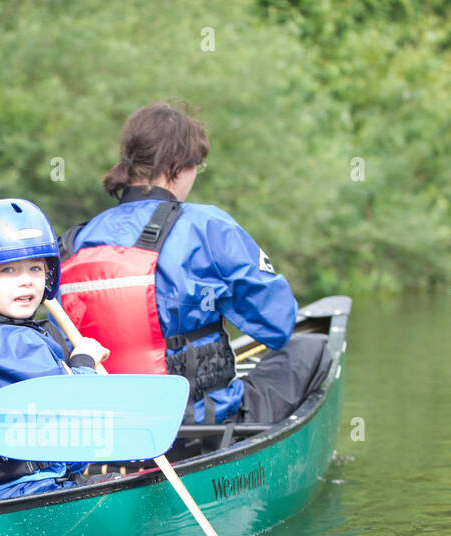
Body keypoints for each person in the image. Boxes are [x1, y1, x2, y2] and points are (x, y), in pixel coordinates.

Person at [58, 101, 331, 435]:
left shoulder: (74, 242)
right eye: (195, 167)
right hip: (197, 427)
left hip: (107, 431)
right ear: (177, 167)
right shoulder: (207, 226)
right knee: (310, 349)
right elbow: (278, 325)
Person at [0, 198, 110, 501]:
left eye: (35, 268)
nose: (26, 282)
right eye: (8, 270)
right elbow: (68, 412)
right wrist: (84, 361)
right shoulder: (10, 342)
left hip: (4, 492)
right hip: (37, 490)